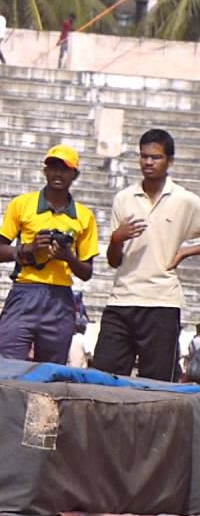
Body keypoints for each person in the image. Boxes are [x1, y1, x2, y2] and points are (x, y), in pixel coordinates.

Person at [92, 129, 200, 381]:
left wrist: (187, 251)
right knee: (102, 379)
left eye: (156, 157)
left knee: (157, 383)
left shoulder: (185, 200)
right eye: (144, 156)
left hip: (162, 302)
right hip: (122, 300)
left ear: (170, 161)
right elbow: (113, 260)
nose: (149, 162)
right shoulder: (124, 198)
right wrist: (116, 239)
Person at [0, 145, 98, 363]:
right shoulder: (22, 204)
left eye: (65, 169)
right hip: (25, 291)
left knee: (50, 372)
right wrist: (28, 248)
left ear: (74, 174)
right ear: (45, 171)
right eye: (53, 167)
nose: (58, 174)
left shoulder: (84, 217)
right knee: (7, 364)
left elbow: (86, 272)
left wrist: (67, 256)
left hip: (60, 298)